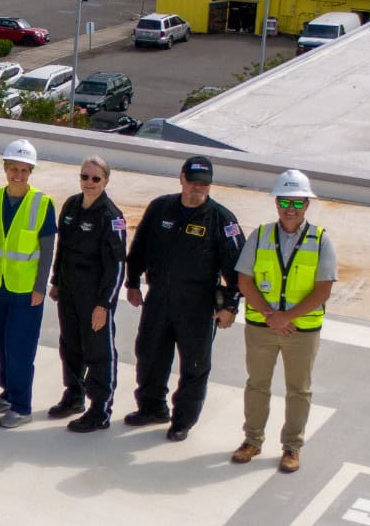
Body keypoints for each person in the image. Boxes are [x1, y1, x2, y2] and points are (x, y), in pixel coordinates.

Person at [124, 156, 244, 442]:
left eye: (204, 184)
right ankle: (152, 408)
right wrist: (132, 283)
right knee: (149, 355)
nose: (197, 189)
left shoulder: (222, 220)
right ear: (182, 178)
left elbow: (238, 270)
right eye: (192, 182)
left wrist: (230, 306)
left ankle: (182, 420)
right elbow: (138, 247)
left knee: (194, 366)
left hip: (197, 307)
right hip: (158, 300)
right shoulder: (160, 208)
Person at [230, 170, 336, 474]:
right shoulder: (260, 235)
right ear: (277, 202)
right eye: (286, 201)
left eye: (298, 202)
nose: (291, 208)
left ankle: (292, 447)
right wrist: (270, 316)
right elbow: (245, 281)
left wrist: (286, 318)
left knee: (298, 389)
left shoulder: (320, 240)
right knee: (257, 385)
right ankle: (252, 440)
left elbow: (323, 289)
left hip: (301, 330)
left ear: (307, 205)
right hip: (262, 327)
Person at [48, 155, 127, 433]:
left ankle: (100, 409)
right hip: (69, 292)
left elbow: (117, 266)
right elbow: (63, 248)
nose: (89, 183)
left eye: (95, 178)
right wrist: (56, 280)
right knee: (70, 346)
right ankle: (74, 396)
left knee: (99, 352)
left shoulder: (111, 217)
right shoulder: (71, 205)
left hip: (95, 299)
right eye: (85, 177)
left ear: (106, 180)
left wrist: (104, 305)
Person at [0, 139, 56, 429]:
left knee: (20, 349)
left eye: (24, 170)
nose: (18, 175)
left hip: (26, 292)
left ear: (30, 172)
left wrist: (40, 287)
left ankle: (22, 407)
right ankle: (9, 394)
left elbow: (47, 250)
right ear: (5, 168)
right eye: (14, 169)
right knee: (1, 346)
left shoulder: (42, 203)